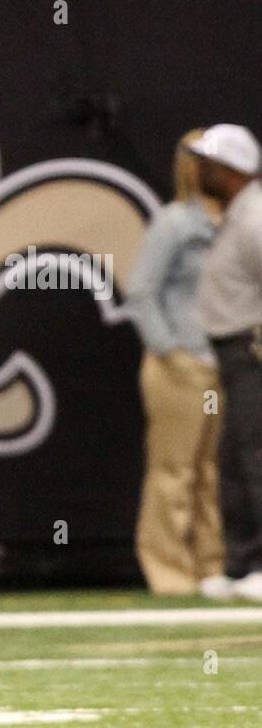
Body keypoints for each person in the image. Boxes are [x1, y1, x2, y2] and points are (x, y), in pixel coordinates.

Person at [125, 130, 224, 595]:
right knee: (174, 470)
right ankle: (168, 571)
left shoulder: (241, 223)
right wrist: (170, 350)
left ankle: (214, 566)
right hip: (181, 366)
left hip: (227, 363)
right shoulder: (173, 224)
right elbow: (142, 292)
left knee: (212, 470)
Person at [190, 124, 262, 601]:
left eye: (208, 164)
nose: (199, 172)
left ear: (232, 171)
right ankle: (241, 564)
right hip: (233, 354)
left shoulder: (255, 218)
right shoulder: (238, 213)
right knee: (234, 459)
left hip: (252, 350)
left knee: (255, 456)